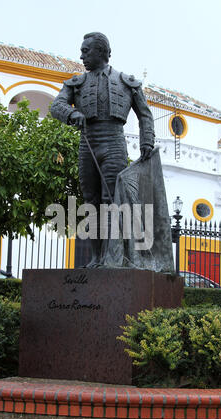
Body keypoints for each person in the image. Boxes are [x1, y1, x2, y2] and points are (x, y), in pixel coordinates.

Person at [50, 32, 156, 267]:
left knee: (113, 200)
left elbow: (145, 115)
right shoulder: (76, 83)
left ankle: (115, 257)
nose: (81, 56)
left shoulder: (127, 82)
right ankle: (97, 256)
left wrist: (146, 141)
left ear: (101, 51)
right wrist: (72, 113)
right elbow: (56, 105)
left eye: (86, 51)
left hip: (114, 143)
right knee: (90, 202)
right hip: (88, 144)